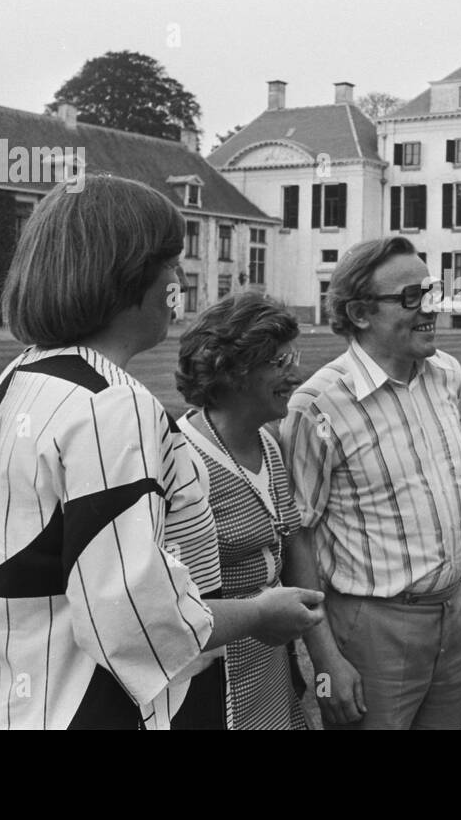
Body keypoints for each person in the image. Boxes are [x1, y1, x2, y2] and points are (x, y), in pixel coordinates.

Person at [0, 174, 324, 730]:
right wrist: (259, 614)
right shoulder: (110, 404)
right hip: (76, 706)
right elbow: (135, 621)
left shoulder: (22, 374)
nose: (179, 282)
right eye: (170, 263)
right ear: (126, 276)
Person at [280, 236, 461, 730]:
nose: (431, 308)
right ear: (361, 313)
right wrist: (326, 660)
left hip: (451, 612)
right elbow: (296, 535)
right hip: (372, 627)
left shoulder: (446, 373)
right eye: (413, 298)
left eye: (432, 291)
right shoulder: (318, 404)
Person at [175, 288, 313, 729]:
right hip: (213, 683)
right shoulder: (182, 461)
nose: (297, 375)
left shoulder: (268, 444)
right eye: (280, 364)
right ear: (234, 370)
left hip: (271, 666)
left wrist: (322, 652)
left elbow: (292, 543)